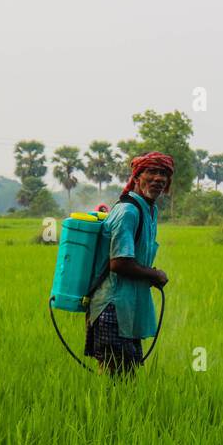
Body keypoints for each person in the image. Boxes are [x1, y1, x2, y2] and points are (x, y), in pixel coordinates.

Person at [83, 152, 173, 374]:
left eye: (163, 173)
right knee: (117, 380)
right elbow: (120, 264)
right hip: (112, 307)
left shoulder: (150, 210)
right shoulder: (128, 212)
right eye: (151, 171)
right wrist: (155, 275)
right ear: (137, 176)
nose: (158, 178)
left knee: (126, 380)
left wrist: (148, 273)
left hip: (129, 308)